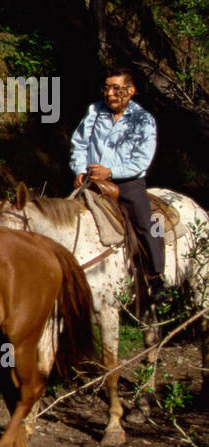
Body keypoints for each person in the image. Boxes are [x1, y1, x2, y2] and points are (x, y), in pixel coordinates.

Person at [69, 66, 162, 297]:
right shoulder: (94, 111)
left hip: (127, 182)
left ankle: (156, 276)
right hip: (91, 180)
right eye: (107, 88)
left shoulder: (143, 120)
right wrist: (80, 170)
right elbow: (79, 144)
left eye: (116, 89)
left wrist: (111, 172)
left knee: (144, 223)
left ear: (130, 91)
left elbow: (142, 160)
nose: (110, 94)